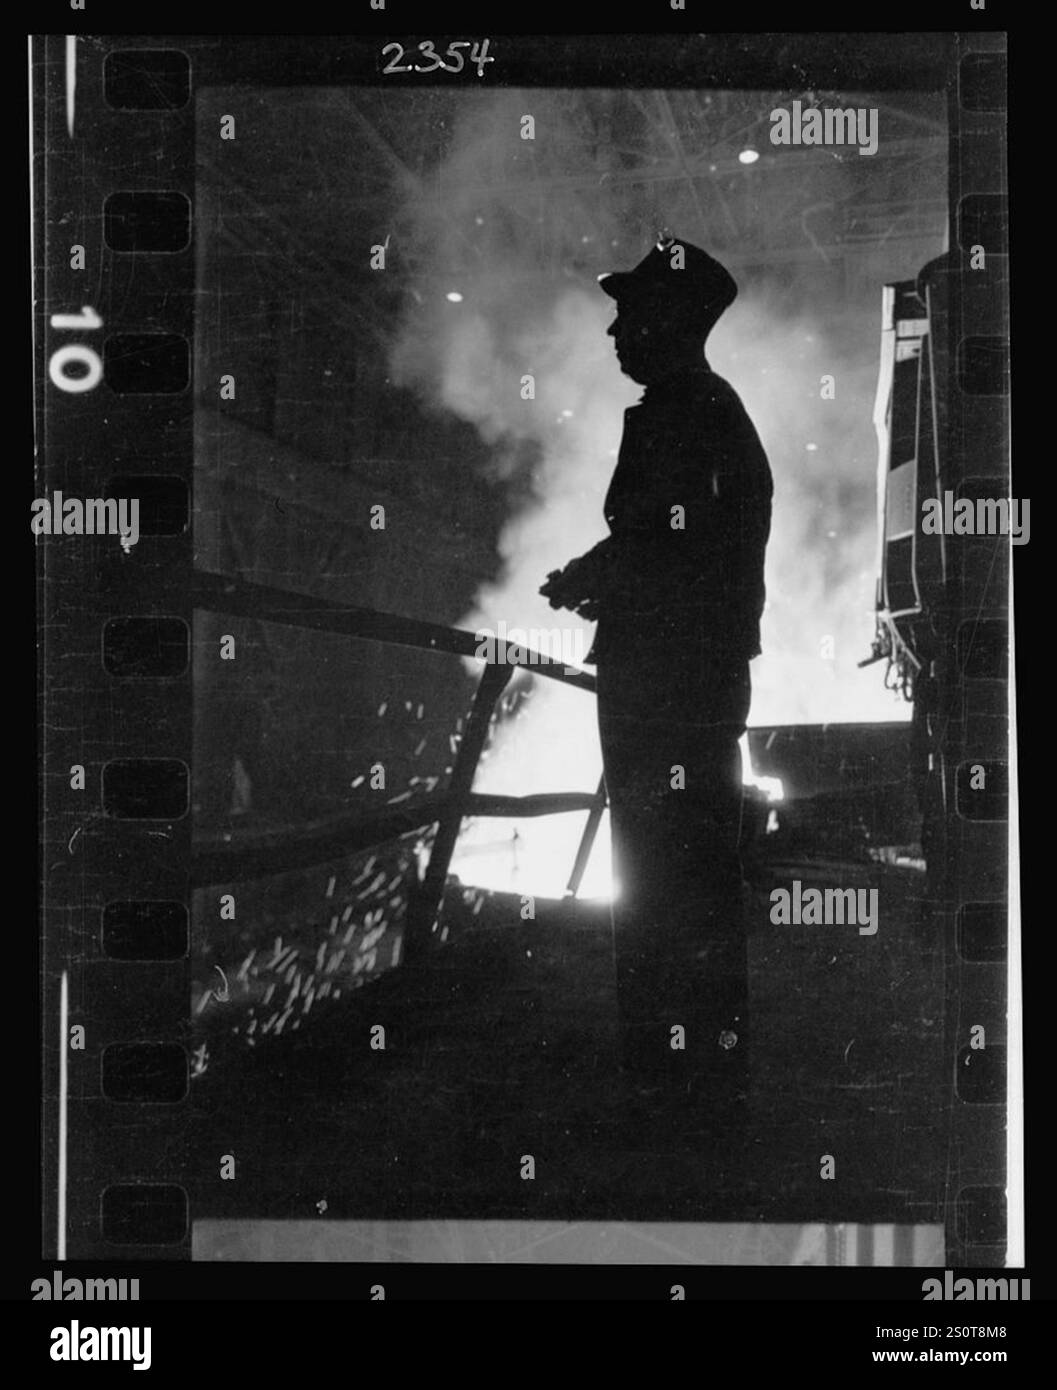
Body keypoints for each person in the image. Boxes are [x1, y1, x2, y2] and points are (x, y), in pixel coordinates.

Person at [541, 236, 772, 1149]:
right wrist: (597, 570)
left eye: (630, 312)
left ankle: (671, 1090)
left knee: (662, 872)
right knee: (688, 871)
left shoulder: (688, 414)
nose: (613, 326)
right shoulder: (701, 412)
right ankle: (697, 1075)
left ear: (670, 323)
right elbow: (672, 539)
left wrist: (603, 575)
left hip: (666, 680)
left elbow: (672, 550)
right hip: (689, 674)